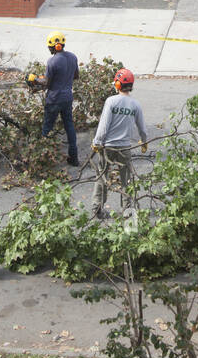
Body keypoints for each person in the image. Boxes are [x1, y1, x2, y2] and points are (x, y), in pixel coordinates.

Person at [91, 68, 148, 220]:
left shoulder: (111, 101)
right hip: (125, 147)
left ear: (117, 84)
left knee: (101, 177)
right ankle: (126, 210)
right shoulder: (135, 105)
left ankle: (97, 208)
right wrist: (144, 141)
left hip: (107, 146)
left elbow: (104, 125)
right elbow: (142, 127)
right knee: (126, 179)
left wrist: (97, 142)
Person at [37, 31, 81, 166]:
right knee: (69, 126)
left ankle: (43, 159)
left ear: (54, 46)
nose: (49, 49)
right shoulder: (73, 57)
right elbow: (76, 76)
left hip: (54, 99)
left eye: (49, 46)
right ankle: (74, 158)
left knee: (47, 128)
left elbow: (46, 84)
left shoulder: (52, 61)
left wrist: (35, 79)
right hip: (67, 98)